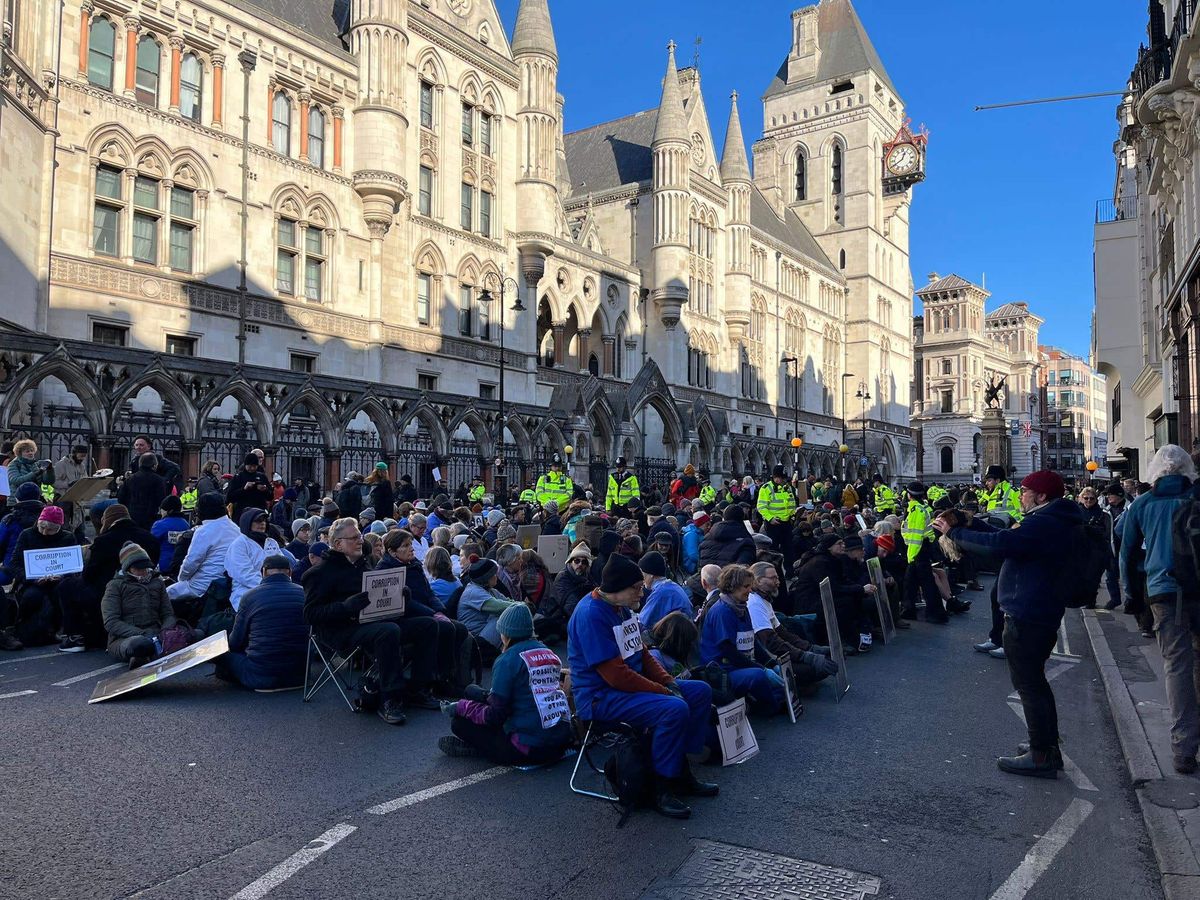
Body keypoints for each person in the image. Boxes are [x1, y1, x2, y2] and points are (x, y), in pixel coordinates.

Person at [937, 470, 1083, 778]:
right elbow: (1008, 538)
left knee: (1029, 685)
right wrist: (971, 523)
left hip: (1028, 612)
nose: (1020, 495)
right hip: (1038, 610)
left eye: (1026, 491)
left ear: (1041, 496)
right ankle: (1043, 743)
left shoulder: (1044, 522)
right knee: (1035, 683)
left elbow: (1000, 545)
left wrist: (955, 534)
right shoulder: (1052, 519)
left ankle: (1042, 755)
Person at [568, 553, 718, 819]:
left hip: (624, 689)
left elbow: (642, 653)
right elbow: (615, 675)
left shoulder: (621, 608)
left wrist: (668, 680)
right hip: (600, 697)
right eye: (636, 588)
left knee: (699, 692)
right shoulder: (591, 616)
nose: (643, 591)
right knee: (673, 708)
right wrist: (662, 690)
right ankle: (661, 786)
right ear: (617, 588)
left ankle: (679, 768)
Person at [1118, 445, 1200, 774]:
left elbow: (1125, 555)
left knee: (1177, 667)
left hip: (1164, 592)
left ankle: (1183, 748)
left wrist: (1131, 597)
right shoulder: (1195, 498)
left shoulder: (1143, 504)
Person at [303, 517, 412, 724]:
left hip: (366, 623)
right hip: (337, 632)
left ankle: (421, 687)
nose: (360, 541)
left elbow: (376, 600)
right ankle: (390, 699)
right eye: (354, 538)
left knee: (426, 625)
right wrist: (344, 608)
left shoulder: (363, 566)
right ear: (338, 544)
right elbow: (310, 614)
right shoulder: (318, 573)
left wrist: (399, 595)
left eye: (360, 537)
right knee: (388, 631)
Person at [438, 603, 573, 764]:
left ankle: (479, 748)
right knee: (472, 691)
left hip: (530, 749)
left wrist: (460, 707)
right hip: (561, 742)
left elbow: (495, 716)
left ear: (506, 634)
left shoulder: (507, 660)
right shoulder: (548, 653)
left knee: (459, 723)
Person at [699, 564, 785, 714]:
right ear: (732, 587)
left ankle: (762, 700)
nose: (750, 590)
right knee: (758, 676)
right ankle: (770, 706)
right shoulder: (722, 612)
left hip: (736, 664)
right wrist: (762, 669)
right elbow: (729, 652)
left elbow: (752, 641)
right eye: (746, 586)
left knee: (777, 674)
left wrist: (771, 663)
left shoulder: (740, 606)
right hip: (722, 670)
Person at [214, 555, 309, 690]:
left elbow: (235, 641)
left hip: (261, 676)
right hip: (300, 675)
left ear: (263, 572)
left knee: (223, 655)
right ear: (290, 572)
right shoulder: (304, 594)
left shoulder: (250, 596)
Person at [746, 561, 837, 687]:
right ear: (758, 580)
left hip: (772, 652)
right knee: (811, 670)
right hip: (766, 658)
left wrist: (810, 648)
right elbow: (771, 642)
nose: (778, 582)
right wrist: (805, 656)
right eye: (773, 578)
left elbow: (782, 632)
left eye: (777, 577)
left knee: (825, 658)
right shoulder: (755, 603)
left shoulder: (764, 599)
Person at [2, 506, 78, 647]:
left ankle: (54, 630)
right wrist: (31, 578)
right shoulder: (27, 534)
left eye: (50, 530)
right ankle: (21, 627)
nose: (44, 532)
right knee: (32, 596)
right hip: (31, 581)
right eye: (42, 527)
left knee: (60, 594)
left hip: (57, 581)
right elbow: (14, 563)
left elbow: (73, 566)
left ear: (59, 527)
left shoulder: (67, 537)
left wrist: (61, 576)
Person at [102, 542, 180, 668]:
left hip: (157, 632)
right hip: (125, 638)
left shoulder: (157, 582)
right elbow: (111, 622)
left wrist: (165, 631)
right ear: (128, 568)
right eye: (138, 569)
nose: (143, 572)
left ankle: (154, 653)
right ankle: (144, 657)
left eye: (145, 568)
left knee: (196, 634)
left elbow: (168, 614)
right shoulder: (115, 586)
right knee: (140, 644)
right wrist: (141, 633)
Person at [167, 492, 241, 607]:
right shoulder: (235, 528)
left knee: (165, 594)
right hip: (230, 583)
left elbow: (192, 562)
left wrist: (181, 578)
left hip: (203, 585)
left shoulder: (203, 531)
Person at [900, 482, 947, 624]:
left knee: (926, 584)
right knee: (911, 582)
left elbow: (916, 536)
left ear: (909, 495)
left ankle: (935, 614)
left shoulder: (916, 511)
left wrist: (911, 556)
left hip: (917, 551)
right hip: (922, 549)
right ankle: (909, 610)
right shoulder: (923, 507)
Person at [458, 558, 522, 661]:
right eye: (494, 575)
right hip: (476, 638)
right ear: (485, 578)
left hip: (485, 631)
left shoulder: (490, 590)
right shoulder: (473, 592)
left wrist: (519, 604)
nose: (496, 577)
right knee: (504, 616)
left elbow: (508, 601)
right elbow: (499, 607)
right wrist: (522, 606)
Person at [226, 509, 287, 611]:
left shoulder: (271, 542)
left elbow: (284, 566)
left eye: (264, 520)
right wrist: (268, 586)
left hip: (276, 588)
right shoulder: (239, 544)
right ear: (248, 523)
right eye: (258, 521)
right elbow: (245, 574)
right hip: (246, 591)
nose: (262, 523)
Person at [638, 551, 694, 629]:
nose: (642, 579)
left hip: (676, 636)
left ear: (651, 575)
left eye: (643, 574)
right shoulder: (671, 586)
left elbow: (643, 622)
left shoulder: (661, 592)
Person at [1102, 482, 1128, 612]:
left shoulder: (1129, 508)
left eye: (1110, 494)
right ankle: (1115, 598)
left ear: (1119, 495)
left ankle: (1130, 600)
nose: (1108, 497)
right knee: (1110, 576)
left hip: (1127, 547)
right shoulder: (1105, 510)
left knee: (1128, 576)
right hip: (1111, 548)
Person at [151, 495, 190, 572]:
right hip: (181, 564)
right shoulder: (186, 524)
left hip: (163, 564)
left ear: (168, 510)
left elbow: (151, 543)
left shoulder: (159, 525)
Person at [227, 453, 272, 520]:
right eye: (250, 466)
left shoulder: (262, 477)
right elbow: (229, 497)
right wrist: (244, 489)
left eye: (255, 466)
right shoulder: (238, 477)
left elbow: (270, 496)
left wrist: (264, 490)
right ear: (245, 465)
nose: (252, 468)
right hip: (242, 512)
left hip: (259, 512)